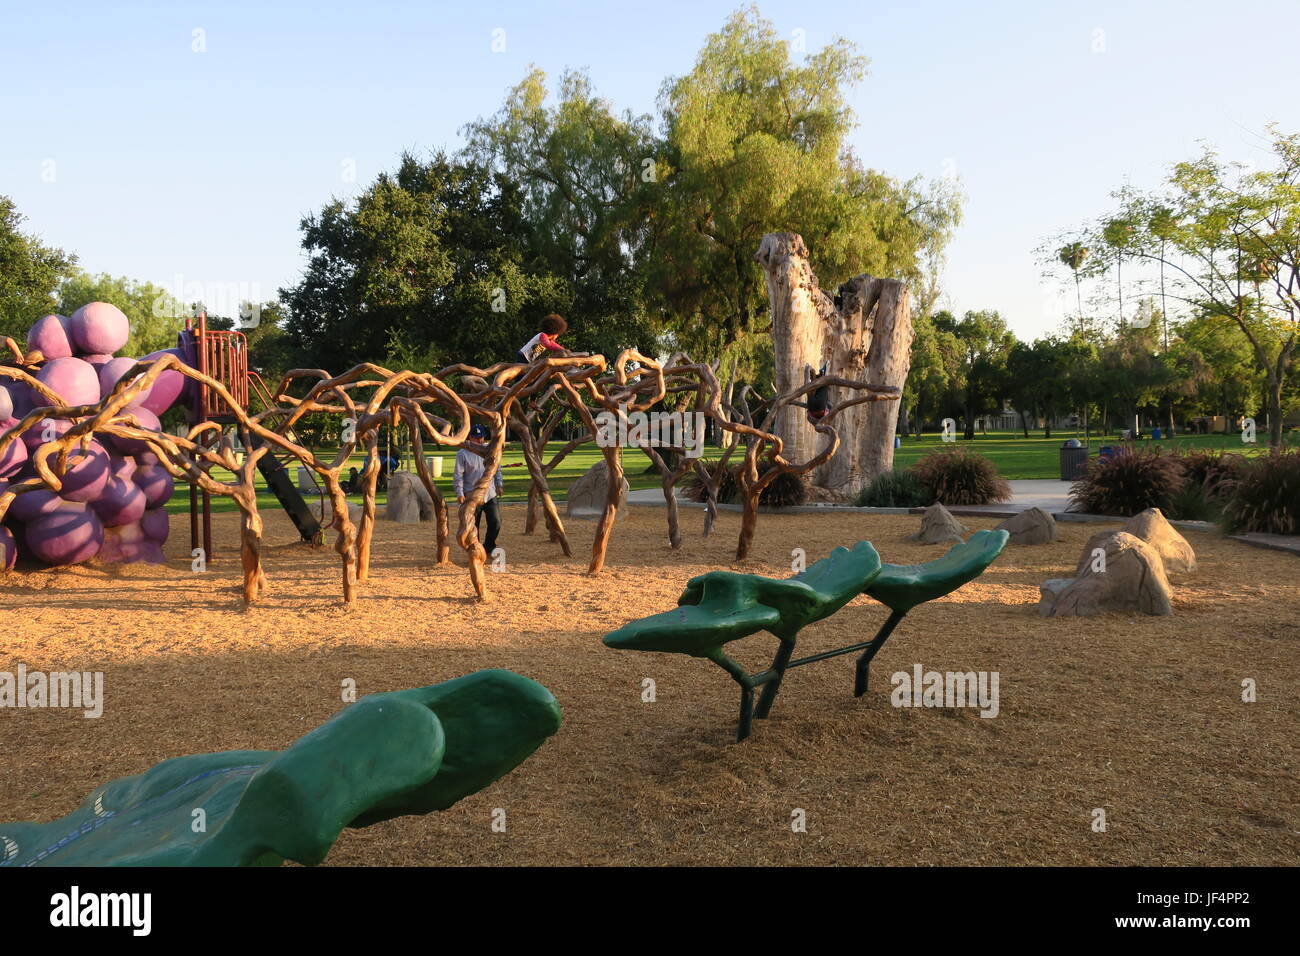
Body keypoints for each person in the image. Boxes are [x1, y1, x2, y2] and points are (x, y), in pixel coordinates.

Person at [454, 424, 505, 556]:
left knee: (496, 521)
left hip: (490, 493)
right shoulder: (462, 454)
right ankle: (475, 550)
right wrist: (460, 493)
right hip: (471, 495)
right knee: (472, 525)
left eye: (481, 437)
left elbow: (497, 468)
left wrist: (499, 484)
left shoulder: (489, 449)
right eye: (476, 438)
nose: (480, 440)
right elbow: (458, 476)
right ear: (470, 437)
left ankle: (489, 547)